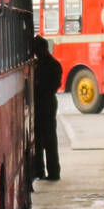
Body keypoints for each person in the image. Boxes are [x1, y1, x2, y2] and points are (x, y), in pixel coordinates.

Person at [33, 36, 63, 181]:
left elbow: (51, 86)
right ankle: (51, 171)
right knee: (48, 139)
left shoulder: (45, 65)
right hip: (47, 103)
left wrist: (39, 87)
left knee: (43, 139)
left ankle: (45, 171)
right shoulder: (54, 64)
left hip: (44, 103)